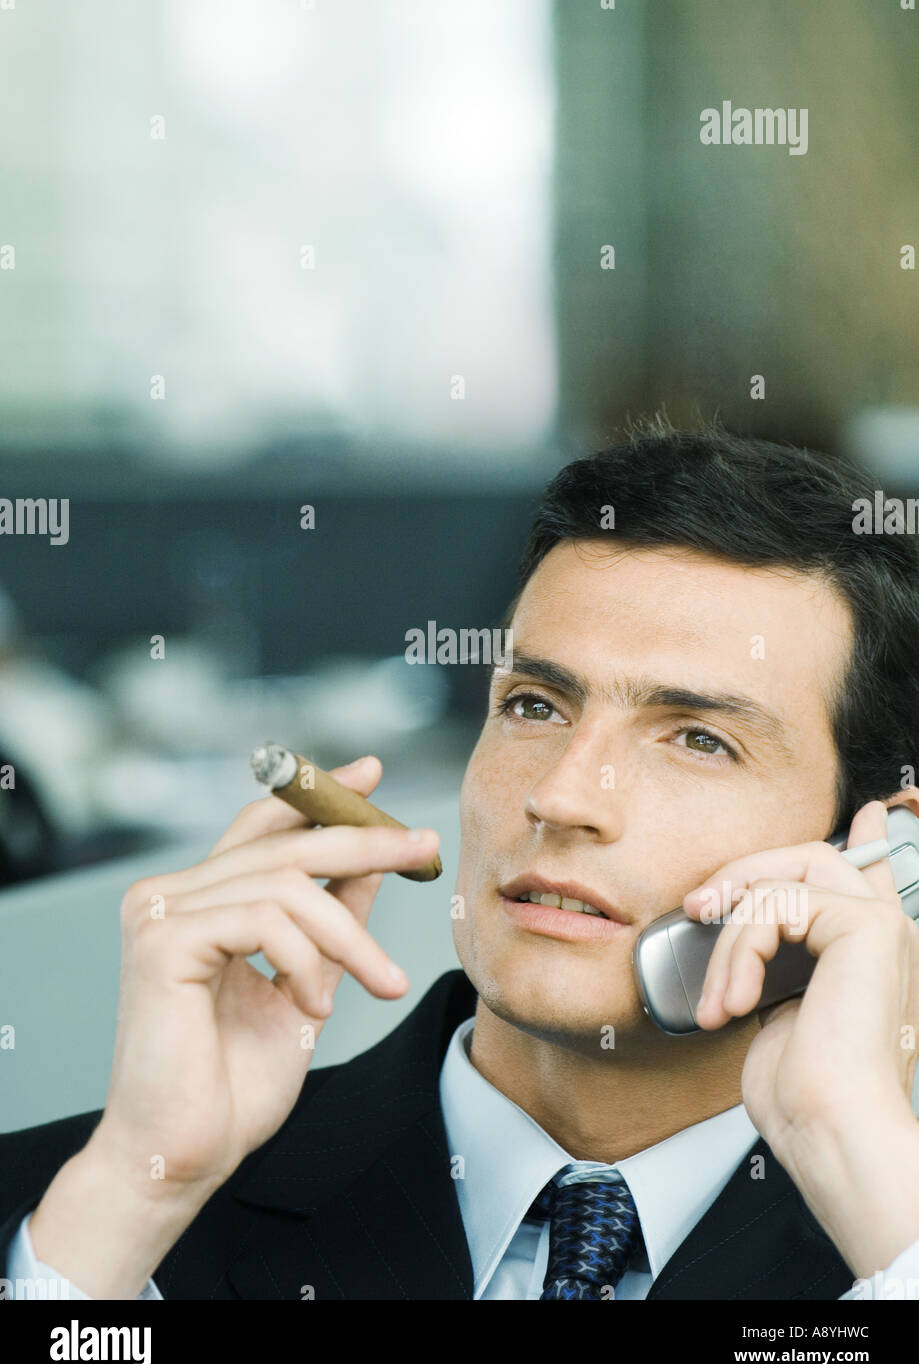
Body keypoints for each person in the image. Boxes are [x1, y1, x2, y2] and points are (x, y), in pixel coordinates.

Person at [4, 418, 919, 1301]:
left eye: (696, 739)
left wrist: (869, 1181)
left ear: (877, 845)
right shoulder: (70, 1223)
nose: (560, 797)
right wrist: (136, 1197)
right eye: (534, 706)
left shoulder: (891, 1228)